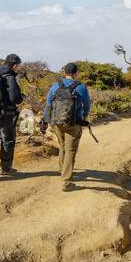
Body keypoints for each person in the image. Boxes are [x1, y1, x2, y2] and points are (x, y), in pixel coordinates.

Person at [40, 61, 92, 191]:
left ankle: (61, 170)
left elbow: (48, 105)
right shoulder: (81, 87)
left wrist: (45, 121)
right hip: (73, 123)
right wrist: (84, 118)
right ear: (75, 73)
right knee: (70, 150)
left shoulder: (55, 86)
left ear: (64, 73)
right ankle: (66, 181)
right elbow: (87, 106)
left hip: (57, 123)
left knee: (63, 147)